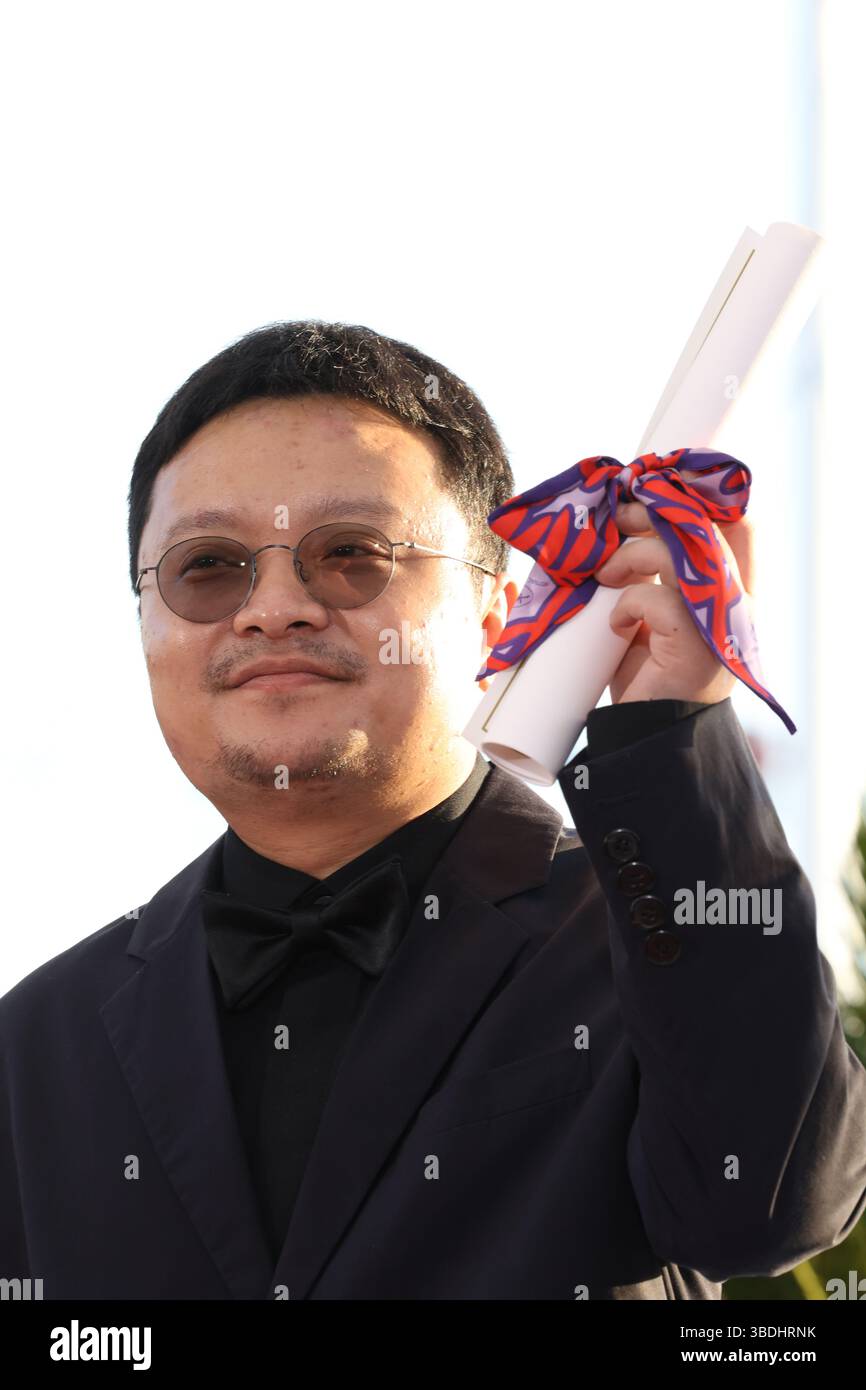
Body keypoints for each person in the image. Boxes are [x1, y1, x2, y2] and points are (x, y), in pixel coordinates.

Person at [1, 321, 864, 1301]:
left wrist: (673, 728)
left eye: (351, 553)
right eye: (208, 566)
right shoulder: (35, 1049)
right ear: (145, 623)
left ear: (498, 611)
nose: (271, 606)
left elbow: (765, 1202)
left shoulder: (639, 941)